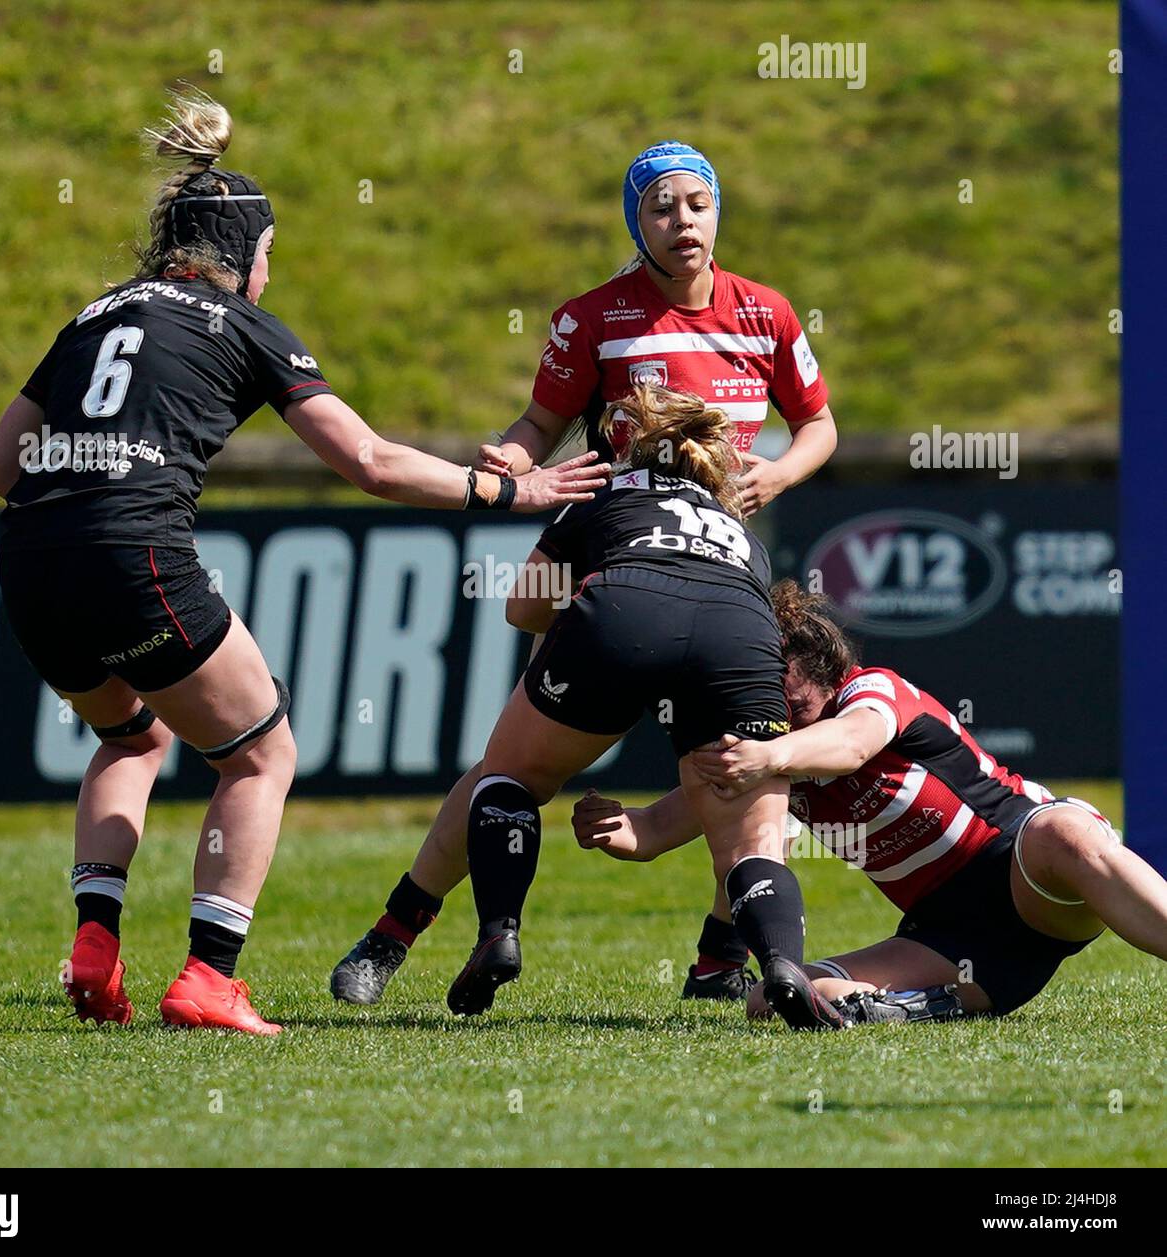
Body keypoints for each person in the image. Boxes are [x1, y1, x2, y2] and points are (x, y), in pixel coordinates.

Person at [0, 88, 608, 1036]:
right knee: (262, 753)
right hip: (132, 551)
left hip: (29, 558)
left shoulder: (92, 314)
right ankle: (208, 975)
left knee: (132, 739)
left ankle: (96, 944)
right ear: (241, 256)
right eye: (268, 257)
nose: (269, 277)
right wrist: (512, 494)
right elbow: (371, 464)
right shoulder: (242, 322)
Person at [332, 140, 837, 1006]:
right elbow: (541, 423)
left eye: (698, 203)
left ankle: (711, 960)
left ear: (720, 211)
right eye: (662, 207)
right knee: (746, 793)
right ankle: (394, 936)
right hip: (651, 547)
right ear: (635, 223)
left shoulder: (769, 314)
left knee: (568, 771)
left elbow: (819, 424)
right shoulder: (594, 317)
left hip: (694, 557)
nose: (684, 221)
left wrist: (779, 473)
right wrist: (515, 462)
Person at [398, 385, 840, 1027]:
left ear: (628, 444)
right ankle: (781, 965)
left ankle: (499, 933)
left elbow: (523, 608)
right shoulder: (741, 531)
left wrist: (589, 607)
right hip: (740, 634)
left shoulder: (603, 495)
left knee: (511, 777)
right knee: (755, 845)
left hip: (624, 615)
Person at [572, 580, 1167, 1026]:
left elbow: (852, 744)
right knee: (774, 999)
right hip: (950, 940)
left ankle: (911, 1005)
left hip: (1023, 865)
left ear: (828, 675)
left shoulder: (870, 690)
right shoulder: (772, 754)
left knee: (1067, 830)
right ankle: (911, 1008)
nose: (776, 724)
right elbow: (652, 831)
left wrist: (767, 757)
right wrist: (612, 824)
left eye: (791, 704)